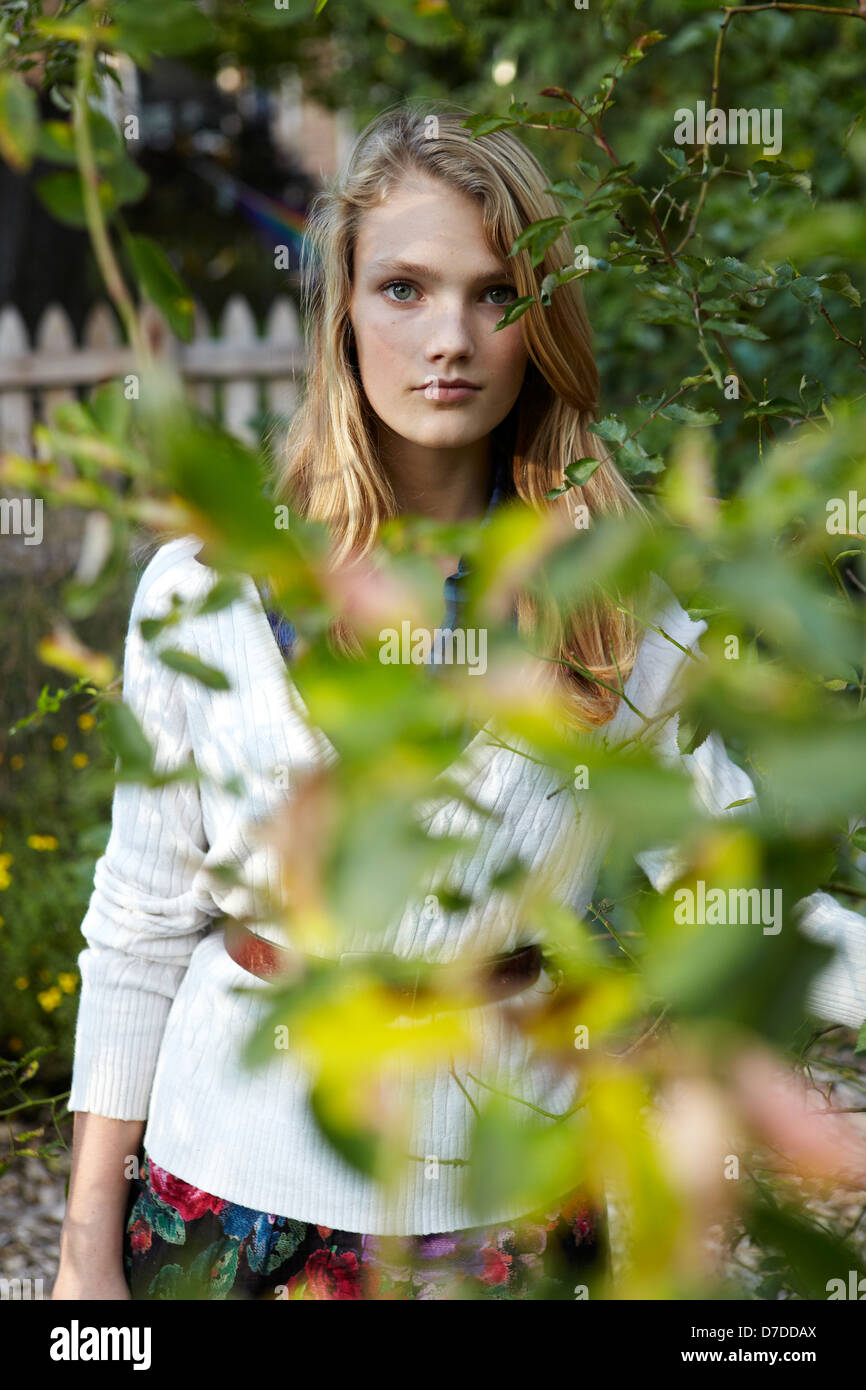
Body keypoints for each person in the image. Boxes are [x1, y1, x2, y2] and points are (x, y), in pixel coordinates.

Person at [53, 104, 866, 1301]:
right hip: (222, 1197)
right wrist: (79, 1263)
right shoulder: (206, 592)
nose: (450, 337)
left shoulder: (618, 609)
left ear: (541, 320)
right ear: (339, 309)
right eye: (401, 289)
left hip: (508, 1218)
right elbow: (134, 927)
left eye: (494, 293)